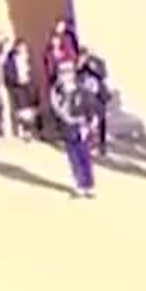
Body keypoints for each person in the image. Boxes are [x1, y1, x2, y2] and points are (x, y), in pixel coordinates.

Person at [50, 63, 95, 199]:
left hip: (81, 126)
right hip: (67, 128)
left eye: (66, 73)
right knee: (73, 157)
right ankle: (79, 184)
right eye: (61, 74)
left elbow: (89, 107)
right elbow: (56, 110)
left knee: (84, 156)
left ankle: (88, 185)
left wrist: (89, 124)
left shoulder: (81, 91)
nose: (63, 77)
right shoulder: (58, 93)